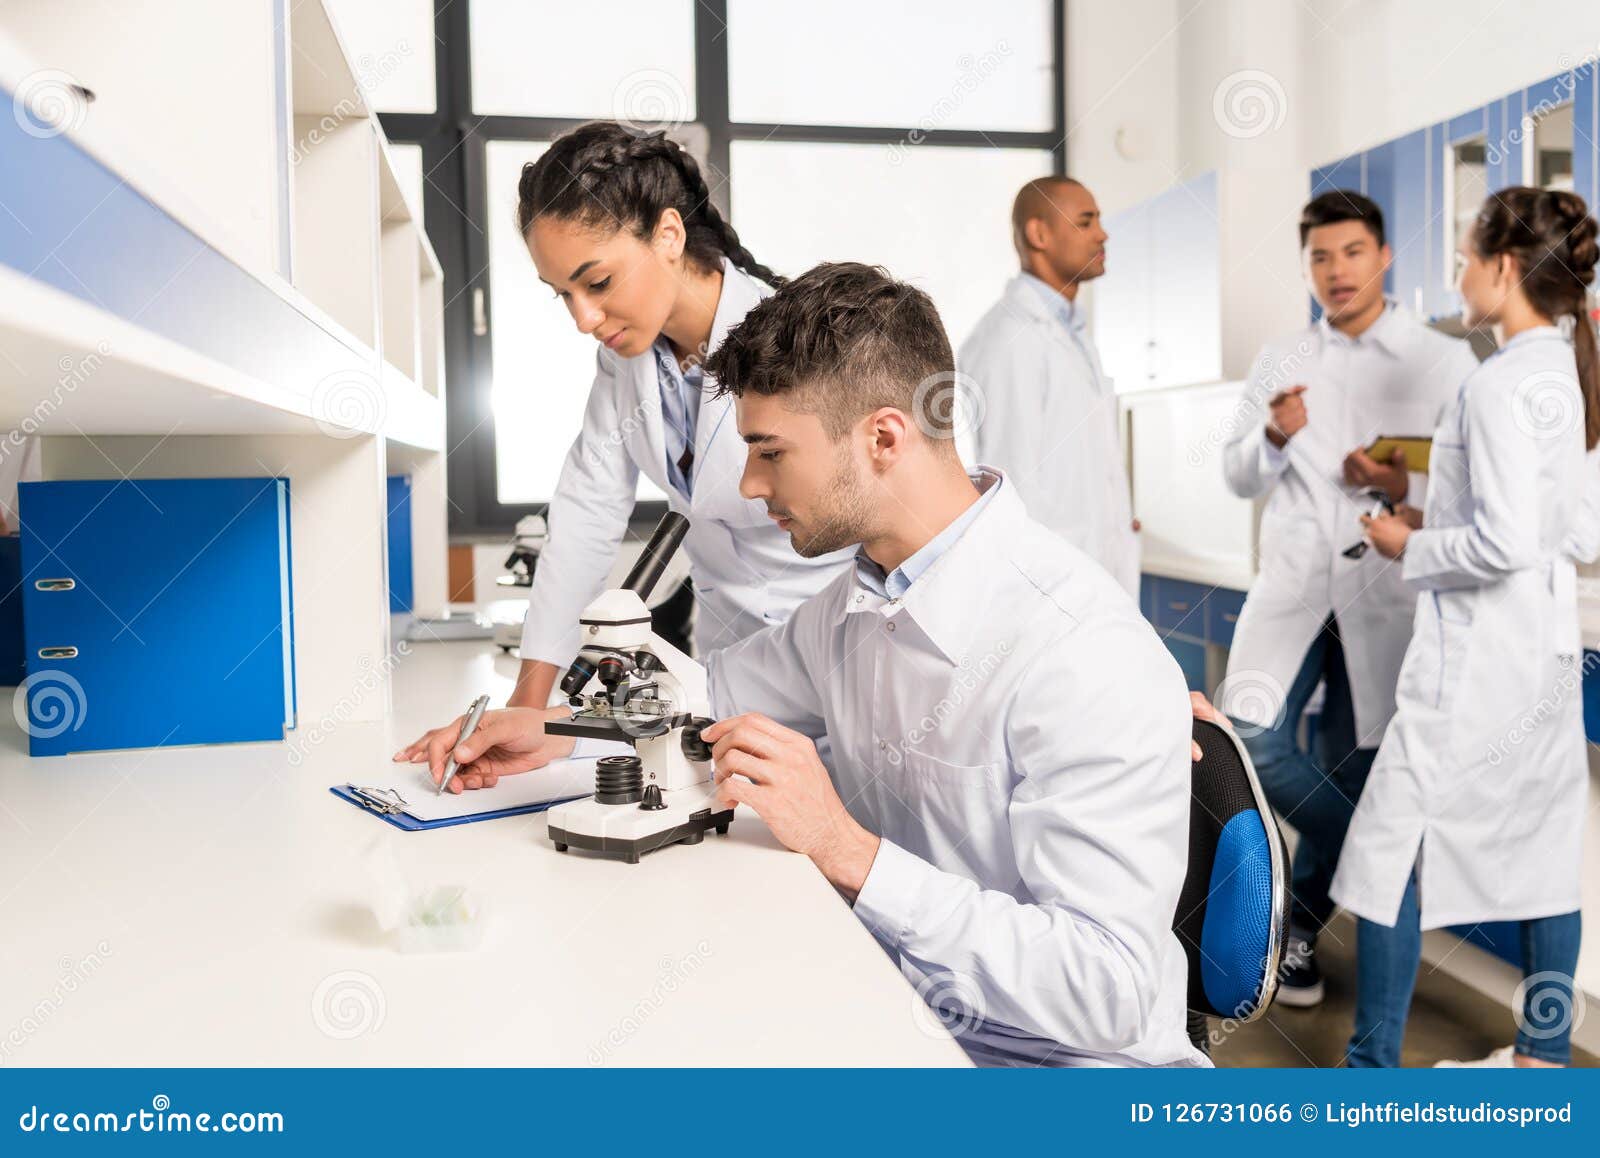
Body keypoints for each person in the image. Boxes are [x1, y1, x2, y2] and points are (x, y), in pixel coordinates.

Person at [425, 263, 1207, 1068]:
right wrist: (552, 728)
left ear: (883, 437)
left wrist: (846, 849)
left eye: (768, 451)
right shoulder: (860, 598)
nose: (749, 484)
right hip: (896, 1004)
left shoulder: (1079, 650)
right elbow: (710, 694)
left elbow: (1106, 991)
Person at [395, 122, 849, 772]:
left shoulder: (799, 343)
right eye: (564, 296)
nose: (582, 319)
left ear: (668, 236)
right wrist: (526, 707)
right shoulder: (630, 361)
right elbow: (584, 517)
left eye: (597, 283)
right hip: (722, 678)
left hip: (836, 667)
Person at [1331, 187, 1599, 1068]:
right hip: (1542, 655)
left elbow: (1506, 538)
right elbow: (1580, 526)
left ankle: (1370, 1079)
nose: (1457, 273)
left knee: (1386, 851)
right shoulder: (1568, 372)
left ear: (1505, 268)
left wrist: (1408, 540)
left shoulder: (1493, 384)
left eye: (1464, 256)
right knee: (1547, 849)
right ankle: (1543, 1061)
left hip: (1477, 663)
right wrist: (1414, 493)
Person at [1218, 191, 1479, 1006]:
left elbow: (1472, 487)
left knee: (1355, 767)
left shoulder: (1442, 361)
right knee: (1251, 734)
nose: (1337, 272)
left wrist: (1405, 481)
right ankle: (1379, 858)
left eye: (1353, 253)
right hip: (1297, 583)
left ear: (1386, 256)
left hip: (1388, 587)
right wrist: (1272, 436)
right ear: (1307, 266)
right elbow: (1235, 475)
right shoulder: (1282, 357)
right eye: (1321, 258)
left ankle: (1297, 935)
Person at [958, 176, 1139, 595]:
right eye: (1086, 222)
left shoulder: (1073, 333)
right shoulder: (1007, 339)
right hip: (1052, 586)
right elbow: (1012, 483)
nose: (1102, 234)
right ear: (1039, 234)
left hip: (1093, 574)